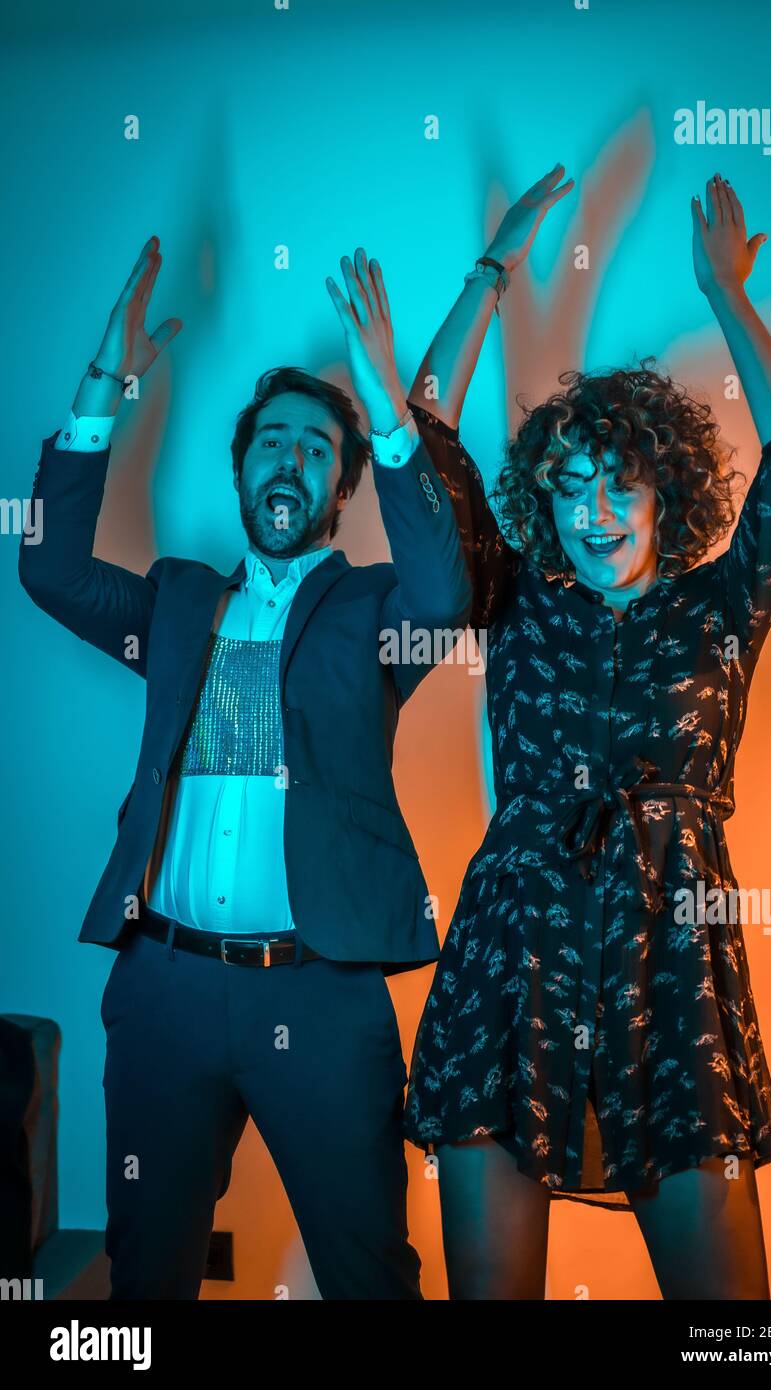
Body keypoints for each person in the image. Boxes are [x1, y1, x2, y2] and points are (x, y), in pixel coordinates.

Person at [403, 167, 771, 1299]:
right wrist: (493, 269)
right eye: (569, 488)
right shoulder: (516, 599)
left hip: (669, 967)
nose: (593, 512)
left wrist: (725, 295)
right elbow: (426, 431)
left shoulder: (717, 606)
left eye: (618, 485)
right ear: (544, 506)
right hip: (513, 963)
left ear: (660, 494)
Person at [19, 239, 471, 1299]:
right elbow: (47, 568)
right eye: (270, 442)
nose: (289, 461)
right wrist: (103, 388)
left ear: (344, 484)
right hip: (164, 988)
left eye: (316, 449)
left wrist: (388, 409)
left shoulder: (375, 613)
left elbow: (447, 592)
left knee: (369, 1271)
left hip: (321, 991)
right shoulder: (177, 601)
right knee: (148, 1274)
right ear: (241, 469)